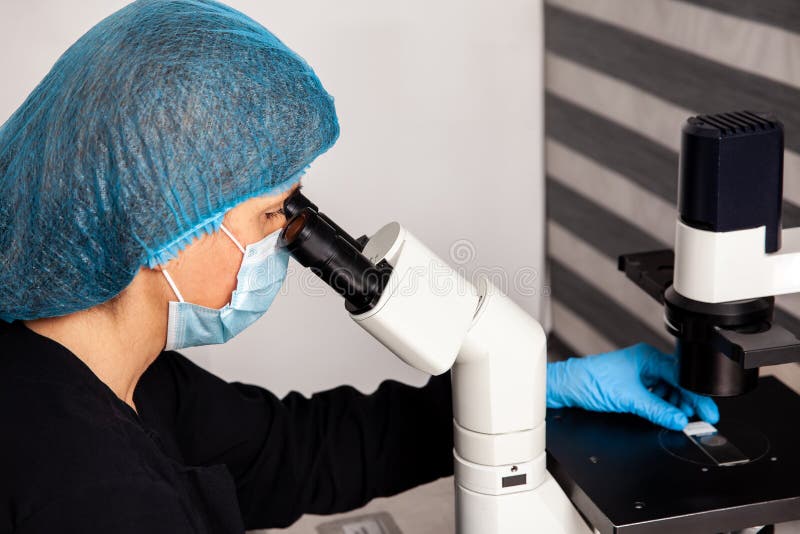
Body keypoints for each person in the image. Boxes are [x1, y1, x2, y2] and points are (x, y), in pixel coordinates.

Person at [0, 1, 719, 532]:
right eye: (270, 214)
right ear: (160, 226)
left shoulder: (118, 376)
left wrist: (532, 391)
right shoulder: (84, 490)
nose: (287, 238)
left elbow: (300, 451)